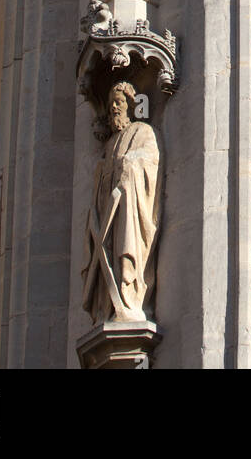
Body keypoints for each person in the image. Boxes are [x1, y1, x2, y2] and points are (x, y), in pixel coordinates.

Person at [82, 81, 161, 323]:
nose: (114, 108)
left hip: (128, 210)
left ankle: (129, 288)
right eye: (111, 104)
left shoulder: (142, 131)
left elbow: (150, 159)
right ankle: (108, 303)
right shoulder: (109, 145)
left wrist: (131, 163)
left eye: (119, 102)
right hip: (109, 211)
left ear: (131, 105)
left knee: (126, 247)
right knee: (106, 250)